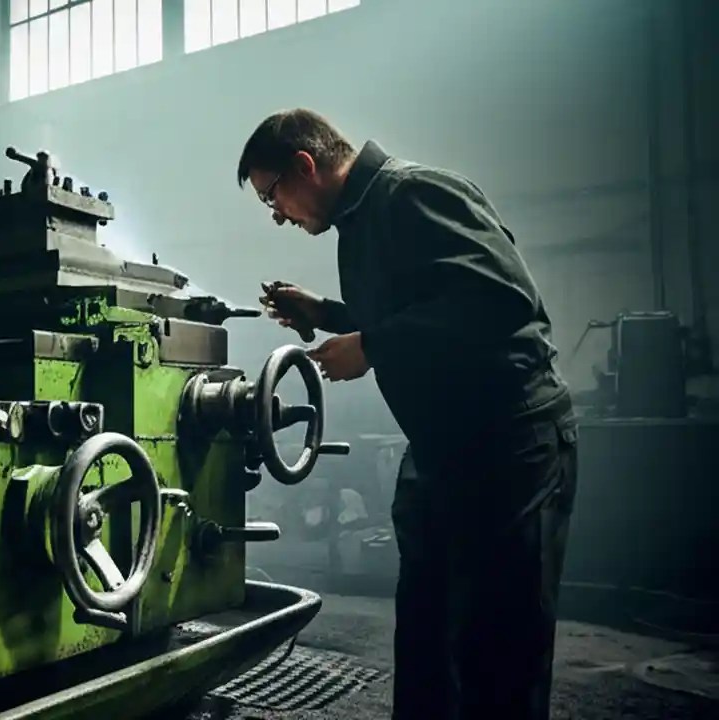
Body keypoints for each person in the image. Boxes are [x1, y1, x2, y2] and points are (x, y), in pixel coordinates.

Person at [237, 108, 579, 720]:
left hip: (509, 446)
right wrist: (330, 314)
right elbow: (424, 308)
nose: (279, 215)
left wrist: (370, 347)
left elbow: (500, 299)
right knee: (427, 645)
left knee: (498, 653)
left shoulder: (414, 192)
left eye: (274, 196)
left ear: (305, 166)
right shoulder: (363, 221)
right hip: (445, 451)